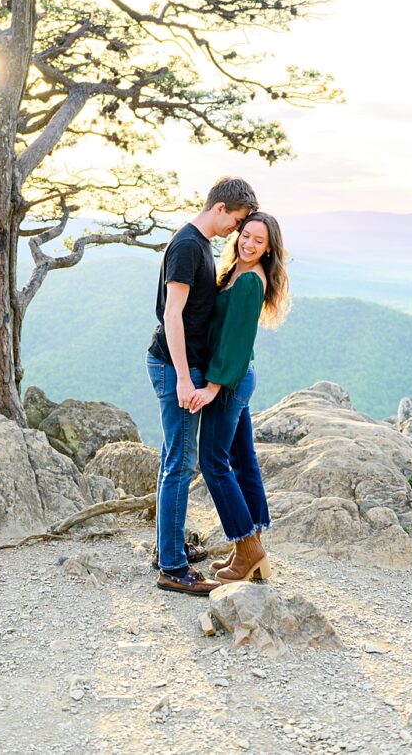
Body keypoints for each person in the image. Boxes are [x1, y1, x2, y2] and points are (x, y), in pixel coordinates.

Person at [145, 175, 257, 596]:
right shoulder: (190, 246)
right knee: (181, 462)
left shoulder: (200, 244)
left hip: (183, 365)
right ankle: (172, 568)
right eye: (238, 220)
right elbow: (172, 315)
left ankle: (167, 548)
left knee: (174, 458)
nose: (237, 230)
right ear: (221, 209)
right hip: (176, 365)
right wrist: (182, 376)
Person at [189, 211, 291, 582]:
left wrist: (211, 387)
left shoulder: (249, 281)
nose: (248, 243)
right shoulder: (235, 271)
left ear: (268, 249)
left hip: (229, 382)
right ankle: (250, 547)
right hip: (238, 377)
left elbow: (236, 340)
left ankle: (248, 548)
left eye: (258, 241)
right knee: (243, 460)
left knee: (213, 461)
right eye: (245, 235)